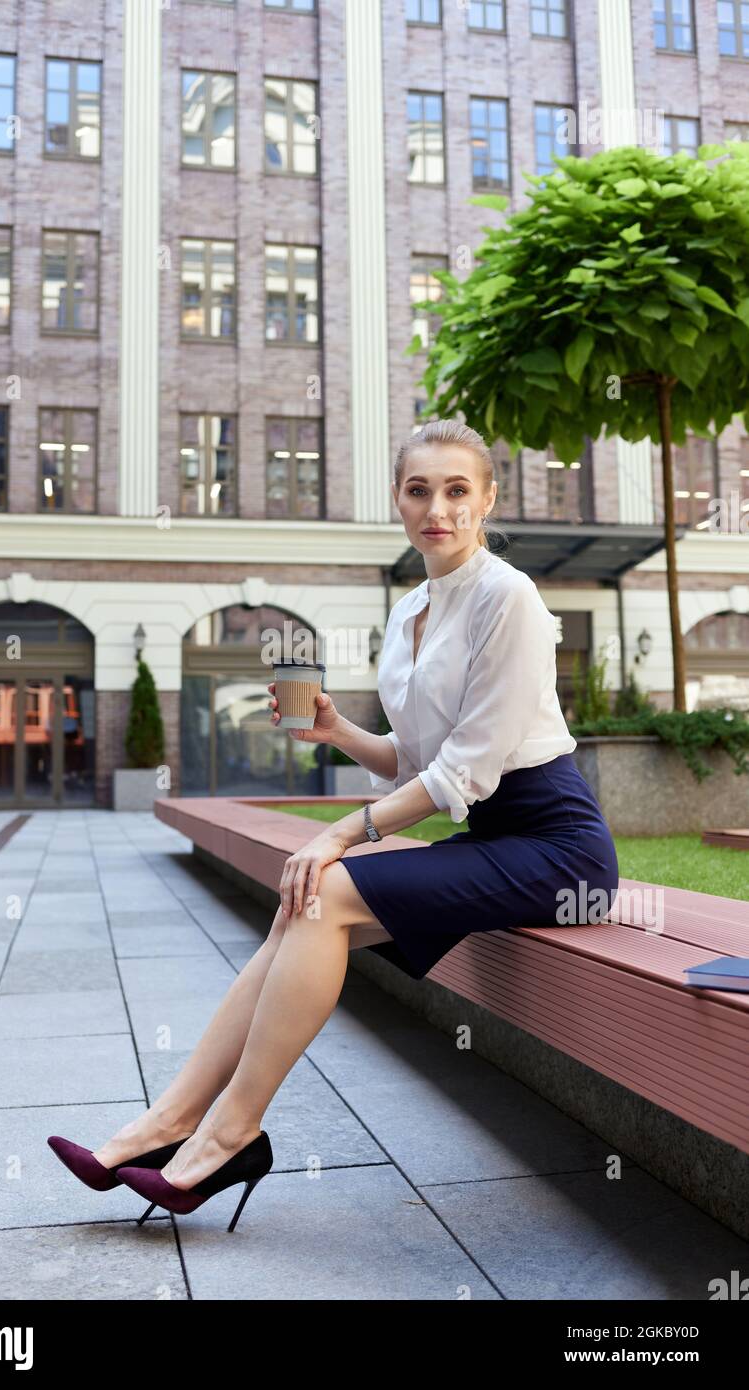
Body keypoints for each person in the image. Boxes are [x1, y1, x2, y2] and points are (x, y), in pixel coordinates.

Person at [47, 418, 620, 1230]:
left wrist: (343, 831)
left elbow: (468, 770)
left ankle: (227, 1133)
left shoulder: (509, 597)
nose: (439, 508)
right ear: (396, 499)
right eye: (419, 490)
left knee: (324, 884)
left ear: (487, 499)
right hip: (492, 839)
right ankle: (164, 1125)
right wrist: (339, 734)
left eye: (458, 490)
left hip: (559, 852)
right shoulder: (411, 611)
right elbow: (415, 757)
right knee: (303, 904)